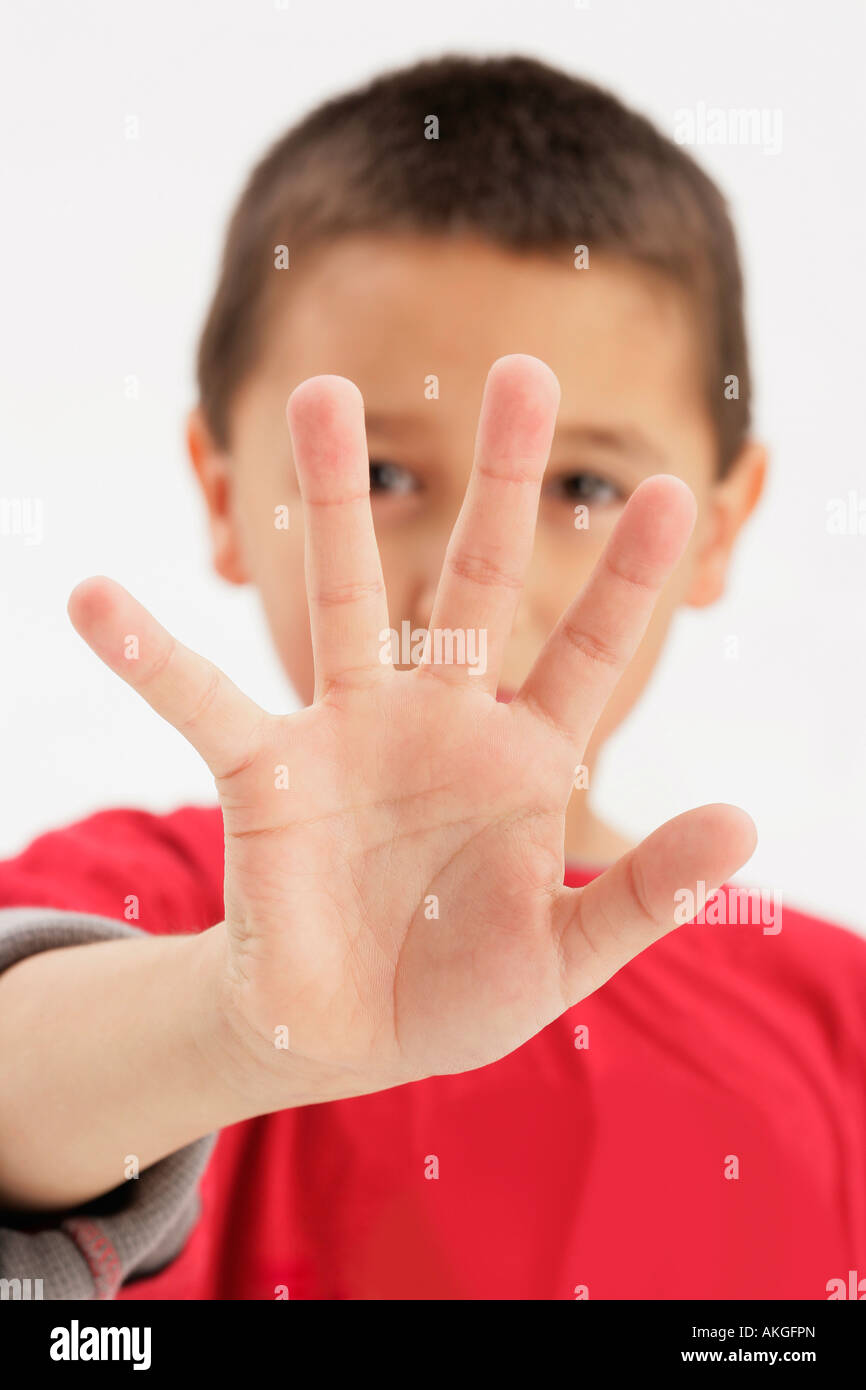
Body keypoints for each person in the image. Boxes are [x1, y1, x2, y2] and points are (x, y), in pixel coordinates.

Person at [1, 54, 863, 1301]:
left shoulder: (835, 1029)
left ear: (721, 527)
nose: (474, 587)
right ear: (221, 490)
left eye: (581, 488)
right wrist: (227, 1017)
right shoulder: (155, 907)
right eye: (382, 477)